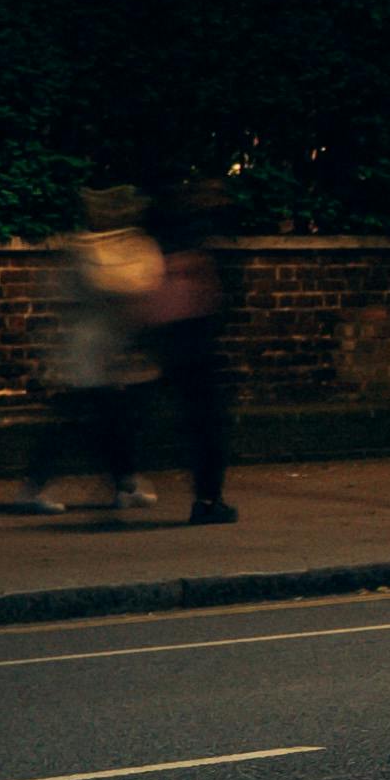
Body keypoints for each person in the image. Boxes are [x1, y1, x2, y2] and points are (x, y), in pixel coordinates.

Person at [18, 186, 159, 517]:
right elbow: (115, 284)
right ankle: (37, 486)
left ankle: (124, 483)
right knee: (77, 419)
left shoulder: (118, 245)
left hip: (109, 348)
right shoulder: (87, 249)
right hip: (89, 350)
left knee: (111, 418)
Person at [144, 172, 246, 524]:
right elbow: (209, 294)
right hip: (195, 347)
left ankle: (204, 495)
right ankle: (207, 500)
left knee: (194, 423)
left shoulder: (166, 242)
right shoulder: (197, 244)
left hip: (175, 345)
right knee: (208, 425)